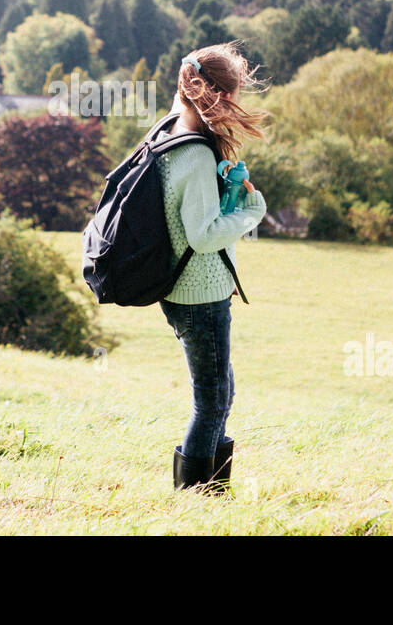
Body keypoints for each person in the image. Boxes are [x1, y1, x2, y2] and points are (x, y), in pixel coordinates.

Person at [153, 42, 268, 493]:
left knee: (221, 395)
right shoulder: (197, 154)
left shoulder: (169, 131)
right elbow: (201, 236)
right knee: (212, 403)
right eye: (234, 96)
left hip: (185, 289)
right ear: (217, 95)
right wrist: (251, 211)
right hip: (199, 294)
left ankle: (212, 491)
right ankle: (196, 497)